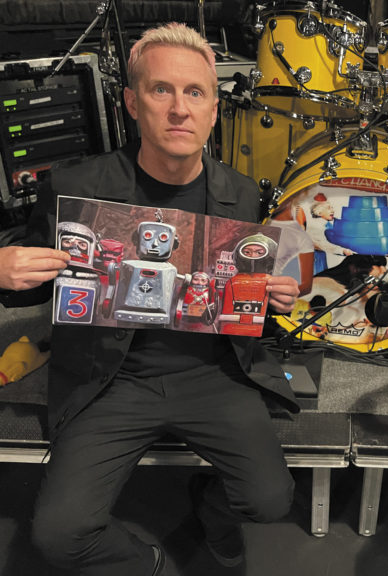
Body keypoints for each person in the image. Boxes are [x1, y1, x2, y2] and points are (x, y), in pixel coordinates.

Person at [0, 23, 301, 576]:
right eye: (162, 90)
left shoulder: (241, 194)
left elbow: (240, 293)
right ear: (133, 103)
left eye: (196, 93)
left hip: (213, 374)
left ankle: (212, 510)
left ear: (214, 110)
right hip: (110, 377)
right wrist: (4, 268)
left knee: (270, 501)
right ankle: (151, 562)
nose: (180, 109)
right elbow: (40, 275)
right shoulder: (76, 186)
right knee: (59, 537)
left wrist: (271, 294)